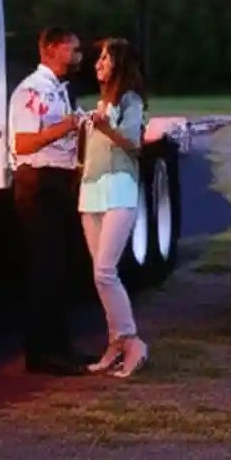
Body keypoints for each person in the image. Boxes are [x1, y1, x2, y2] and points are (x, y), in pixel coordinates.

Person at [8, 26, 92, 376]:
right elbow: (24, 143)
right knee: (45, 269)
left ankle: (60, 346)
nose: (78, 57)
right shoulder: (32, 90)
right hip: (39, 184)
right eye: (72, 50)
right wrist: (68, 126)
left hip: (58, 182)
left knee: (61, 268)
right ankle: (43, 352)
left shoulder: (58, 90)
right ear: (51, 49)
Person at [79, 37, 149, 378]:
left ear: (118, 64)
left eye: (104, 59)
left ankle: (132, 341)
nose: (98, 65)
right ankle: (115, 342)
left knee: (105, 270)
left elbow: (134, 144)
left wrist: (106, 128)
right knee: (100, 275)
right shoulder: (100, 104)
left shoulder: (130, 101)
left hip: (119, 188)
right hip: (91, 192)